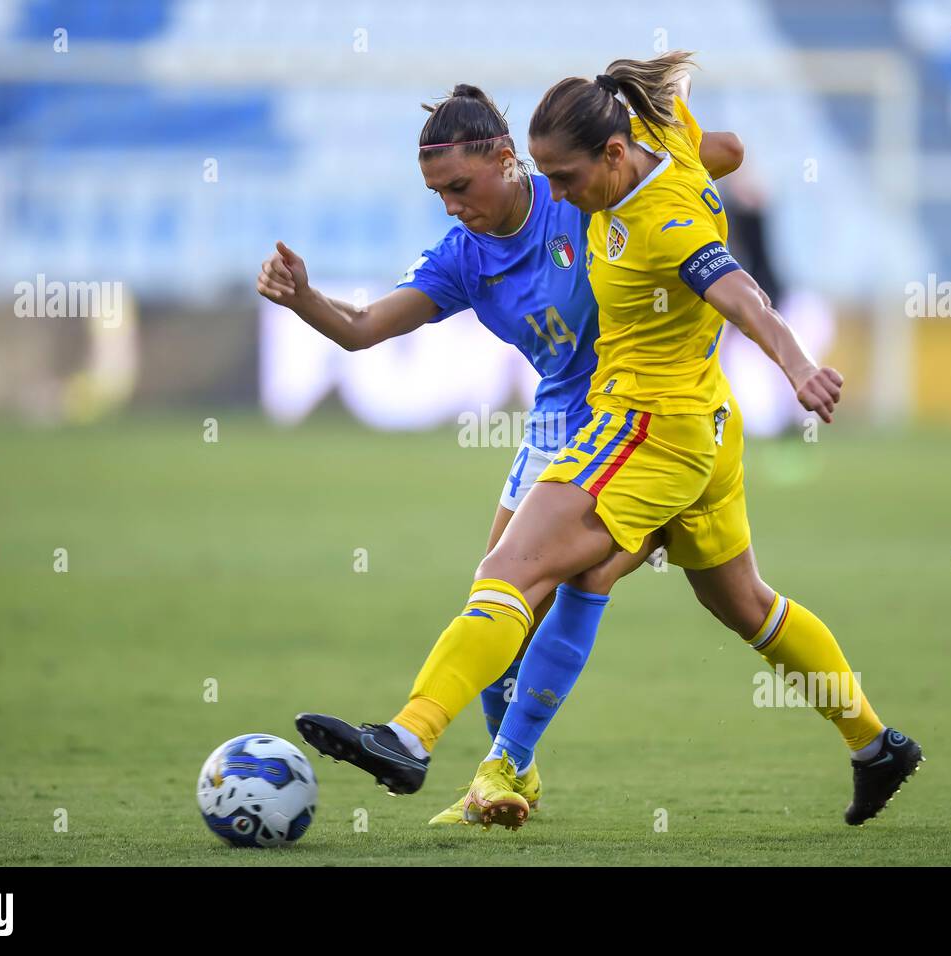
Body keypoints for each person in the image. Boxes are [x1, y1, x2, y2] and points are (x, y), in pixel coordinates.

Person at [257, 84, 743, 825]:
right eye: (436, 193)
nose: (451, 205)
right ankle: (504, 779)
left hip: (641, 415)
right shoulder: (462, 257)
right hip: (555, 426)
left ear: (509, 160)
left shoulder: (577, 184)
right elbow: (361, 329)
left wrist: (683, 153)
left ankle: (483, 763)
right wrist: (304, 299)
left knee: (577, 584)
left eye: (459, 186)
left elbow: (718, 157)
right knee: (496, 602)